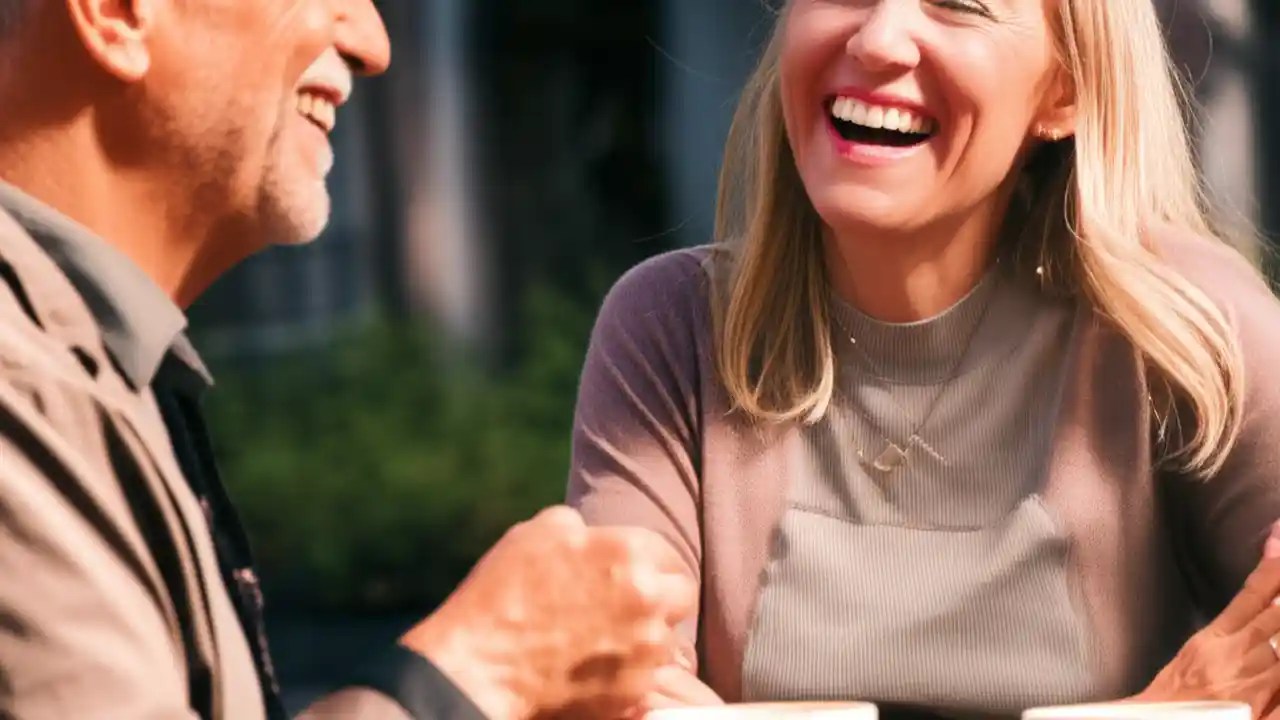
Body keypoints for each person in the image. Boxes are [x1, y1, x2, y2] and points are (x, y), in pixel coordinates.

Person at [567, 0, 1280, 717]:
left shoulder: (1188, 329)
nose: (878, 41)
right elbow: (613, 694)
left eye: (960, 4)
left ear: (1064, 89)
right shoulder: (670, 328)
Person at [0, 0, 696, 719]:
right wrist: (481, 672)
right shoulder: (19, 387)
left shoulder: (89, 364)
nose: (373, 44)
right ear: (116, 13)